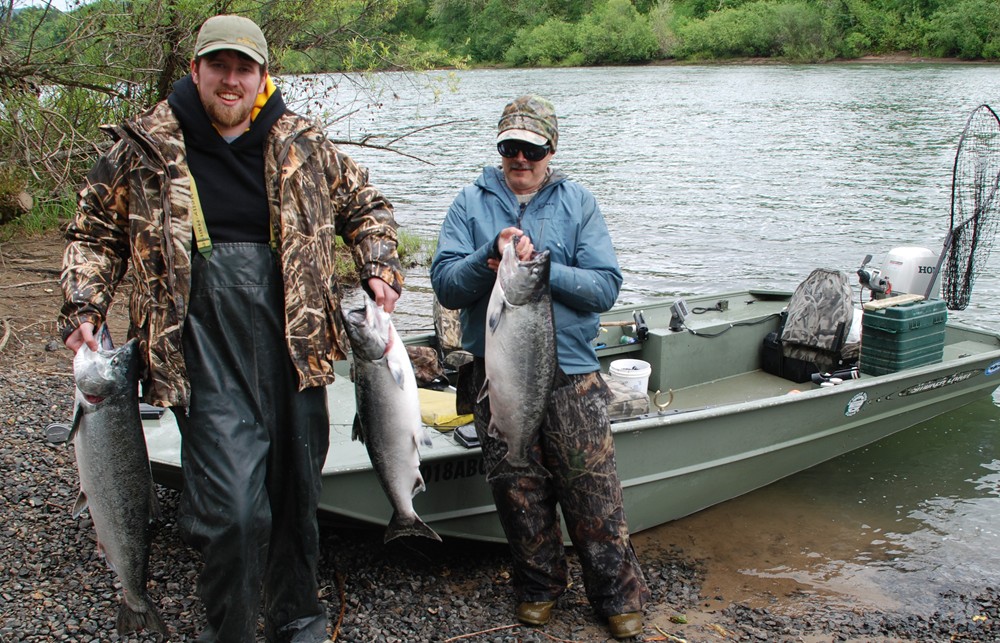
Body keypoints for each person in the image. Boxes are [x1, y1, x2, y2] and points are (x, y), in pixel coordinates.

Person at [59, 15, 403, 643]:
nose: (231, 80)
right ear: (195, 70)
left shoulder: (302, 141)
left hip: (297, 353)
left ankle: (298, 620)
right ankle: (233, 630)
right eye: (219, 66)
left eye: (245, 68)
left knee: (297, 500)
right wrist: (84, 308)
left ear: (262, 77)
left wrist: (378, 265)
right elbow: (92, 236)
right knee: (234, 514)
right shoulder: (141, 148)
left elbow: (367, 207)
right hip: (201, 358)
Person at [430, 95, 649, 640]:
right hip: (495, 375)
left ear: (551, 149)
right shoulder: (469, 203)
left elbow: (605, 285)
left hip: (573, 372)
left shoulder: (578, 203)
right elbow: (445, 285)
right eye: (510, 147)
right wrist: (489, 256)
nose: (520, 157)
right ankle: (538, 586)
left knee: (593, 487)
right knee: (516, 487)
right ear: (500, 149)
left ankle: (617, 595)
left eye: (531, 148)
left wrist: (546, 271)